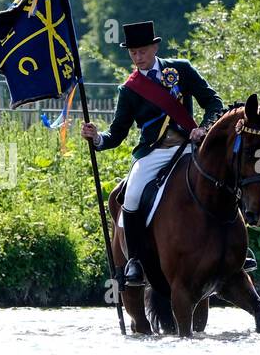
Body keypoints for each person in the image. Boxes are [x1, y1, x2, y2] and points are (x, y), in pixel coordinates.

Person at [80, 20, 251, 287]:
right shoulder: (129, 89)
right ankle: (135, 260)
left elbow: (213, 102)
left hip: (191, 147)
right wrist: (97, 137)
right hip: (154, 152)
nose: (138, 58)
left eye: (143, 51)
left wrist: (204, 129)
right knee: (133, 195)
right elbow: (118, 133)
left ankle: (240, 249)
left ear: (155, 47)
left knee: (229, 177)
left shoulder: (181, 69)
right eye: (133, 53)